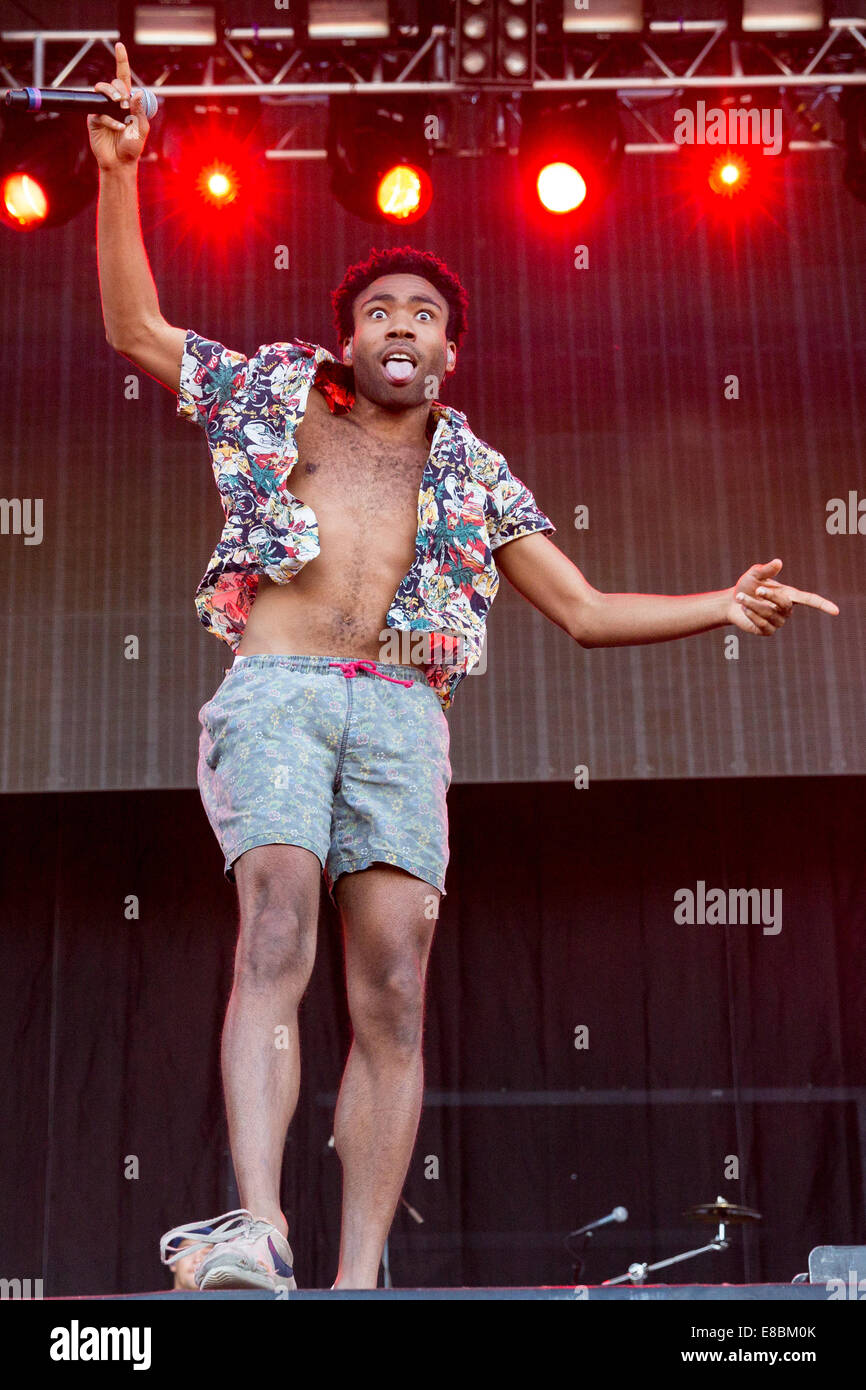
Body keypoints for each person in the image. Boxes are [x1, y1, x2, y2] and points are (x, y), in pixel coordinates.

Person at [88, 42, 840, 1293]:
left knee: (390, 989)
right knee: (274, 919)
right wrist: (121, 172)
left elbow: (586, 612)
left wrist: (721, 601)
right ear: (348, 335)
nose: (400, 325)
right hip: (278, 691)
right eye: (379, 308)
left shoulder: (474, 468)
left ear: (447, 354)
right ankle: (261, 1229)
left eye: (423, 316)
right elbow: (133, 326)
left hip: (403, 713)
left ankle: (356, 1275)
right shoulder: (276, 395)